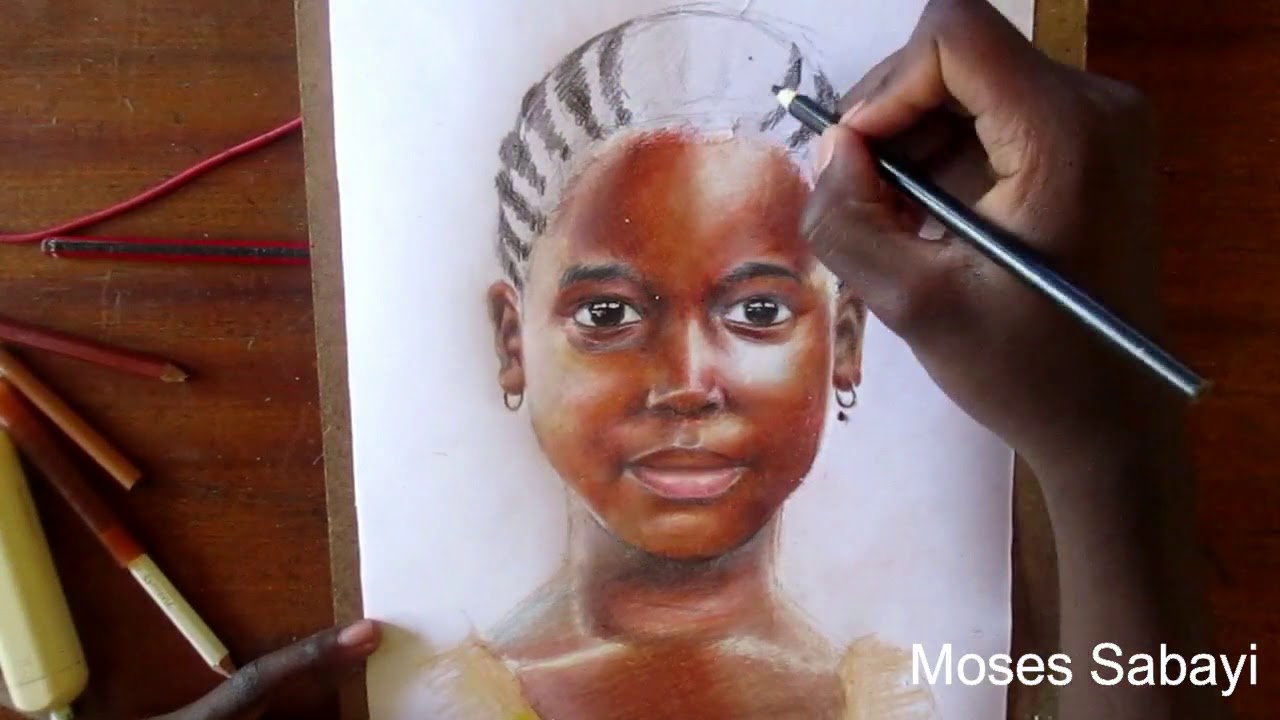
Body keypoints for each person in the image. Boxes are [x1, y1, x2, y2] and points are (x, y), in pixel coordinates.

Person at [153, 0, 1213, 718]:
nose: (688, 383)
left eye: (758, 309)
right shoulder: (437, 691)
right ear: (512, 341)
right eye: (608, 313)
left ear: (844, 340)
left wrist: (1100, 445)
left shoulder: (910, 694)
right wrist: (1113, 450)